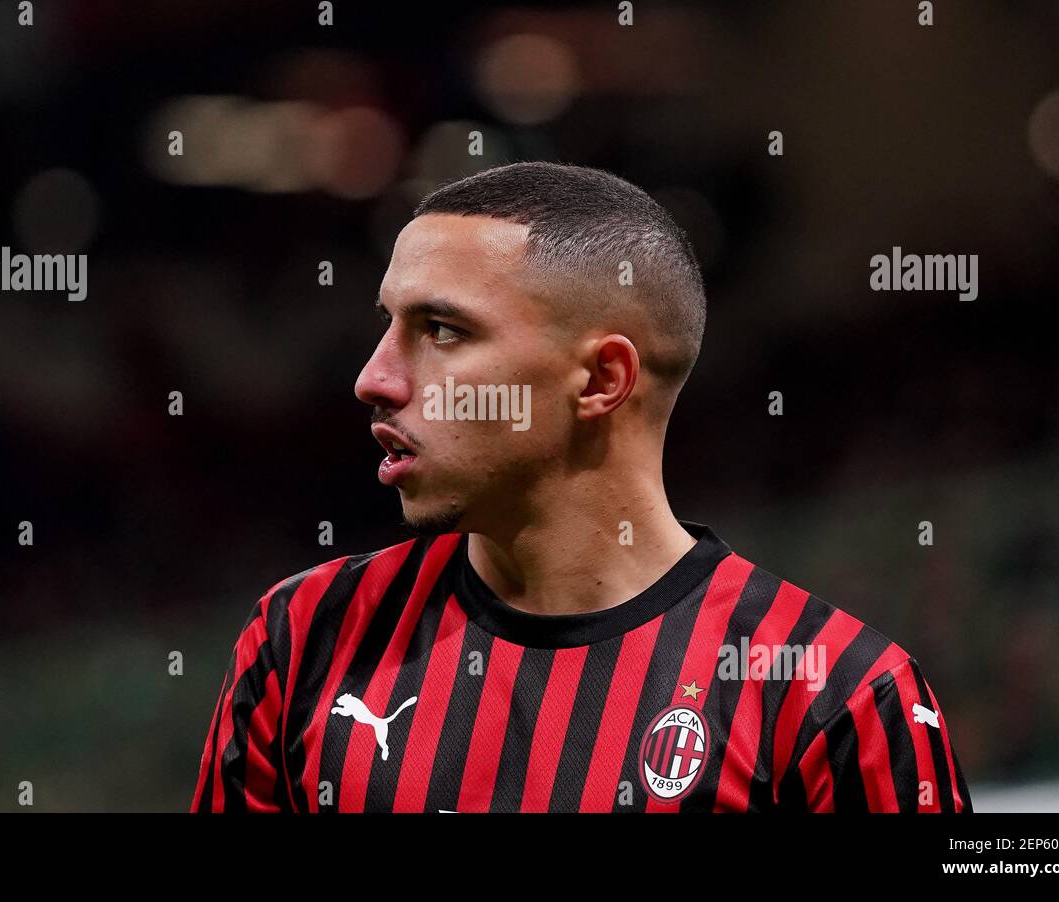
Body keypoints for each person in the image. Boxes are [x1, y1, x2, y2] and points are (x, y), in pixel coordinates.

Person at [191, 161, 972, 813]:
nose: (374, 378)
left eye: (442, 331)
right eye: (389, 324)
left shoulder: (833, 694)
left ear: (602, 379)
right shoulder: (304, 639)